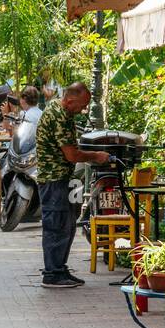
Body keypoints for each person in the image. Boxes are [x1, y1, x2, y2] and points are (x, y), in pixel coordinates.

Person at [34, 82, 109, 289]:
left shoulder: (63, 113)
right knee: (56, 225)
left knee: (66, 225)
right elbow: (71, 154)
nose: (83, 110)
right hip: (54, 179)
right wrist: (96, 155)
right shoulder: (59, 116)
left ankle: (59, 268)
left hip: (63, 178)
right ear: (70, 100)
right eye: (82, 105)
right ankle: (52, 273)